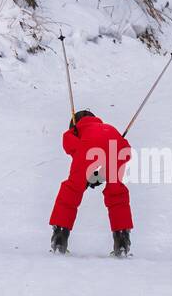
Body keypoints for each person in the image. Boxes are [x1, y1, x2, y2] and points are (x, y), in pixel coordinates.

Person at [49, 110, 133, 257]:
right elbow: (126, 150)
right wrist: (100, 175)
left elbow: (68, 142)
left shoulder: (76, 129)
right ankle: (122, 239)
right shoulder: (109, 128)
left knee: (72, 189)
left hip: (87, 148)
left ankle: (60, 236)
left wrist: (84, 178)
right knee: (116, 192)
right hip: (116, 147)